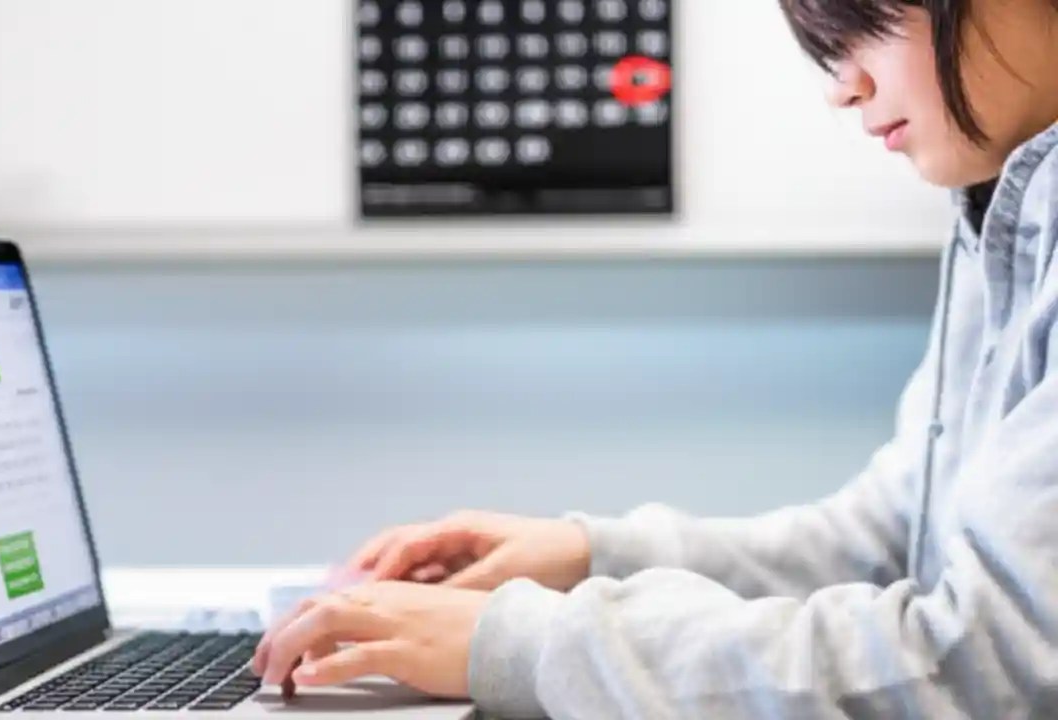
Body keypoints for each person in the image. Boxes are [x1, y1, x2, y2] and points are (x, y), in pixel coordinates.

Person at [252, 0, 1058, 716]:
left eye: (867, 26)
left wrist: (523, 645)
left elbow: (984, 669)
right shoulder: (1010, 204)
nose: (842, 87)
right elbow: (891, 541)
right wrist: (586, 555)